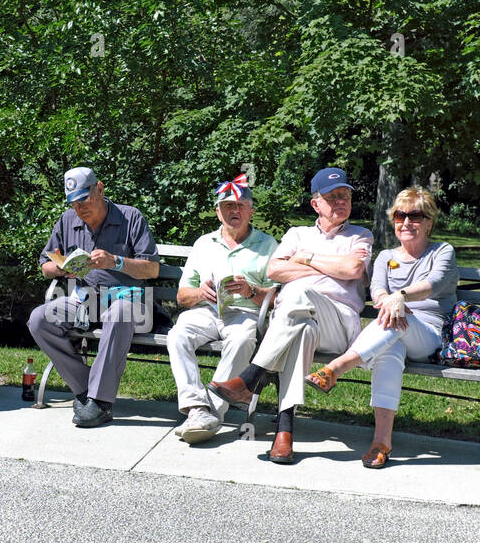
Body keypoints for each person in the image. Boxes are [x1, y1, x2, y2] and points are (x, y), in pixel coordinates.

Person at [210, 167, 372, 463]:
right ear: (316, 204)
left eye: (345, 196)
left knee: (296, 292)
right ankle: (285, 431)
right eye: (333, 197)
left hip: (337, 323)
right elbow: (274, 270)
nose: (341, 202)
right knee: (302, 327)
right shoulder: (298, 233)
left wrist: (305, 259)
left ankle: (251, 376)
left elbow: (352, 270)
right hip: (299, 322)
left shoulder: (360, 235)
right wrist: (328, 269)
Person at [305, 187, 457, 468]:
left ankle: (336, 368)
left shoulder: (442, 251)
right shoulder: (386, 256)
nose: (407, 222)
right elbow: (376, 289)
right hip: (392, 329)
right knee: (389, 350)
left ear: (429, 222)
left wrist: (400, 297)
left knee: (400, 318)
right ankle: (381, 443)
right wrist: (388, 300)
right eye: (401, 216)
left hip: (430, 337)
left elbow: (433, 284)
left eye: (416, 216)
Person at [27, 166, 160, 428]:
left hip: (130, 302)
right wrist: (62, 267)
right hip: (84, 301)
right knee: (39, 319)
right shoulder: (67, 220)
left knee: (119, 312)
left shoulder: (130, 217)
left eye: (84, 199)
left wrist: (116, 262)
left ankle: (99, 403)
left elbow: (152, 269)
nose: (79, 208)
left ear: (99, 189)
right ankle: (85, 390)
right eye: (73, 203)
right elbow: (45, 266)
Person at [167, 174, 277, 443]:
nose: (234, 211)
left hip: (246, 313)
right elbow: (182, 295)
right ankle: (197, 408)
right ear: (218, 212)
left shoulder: (268, 245)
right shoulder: (204, 243)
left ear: (251, 211)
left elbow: (276, 298)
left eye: (240, 205)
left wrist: (250, 290)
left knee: (241, 339)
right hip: (206, 311)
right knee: (177, 334)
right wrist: (199, 292)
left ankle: (211, 413)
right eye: (227, 206)